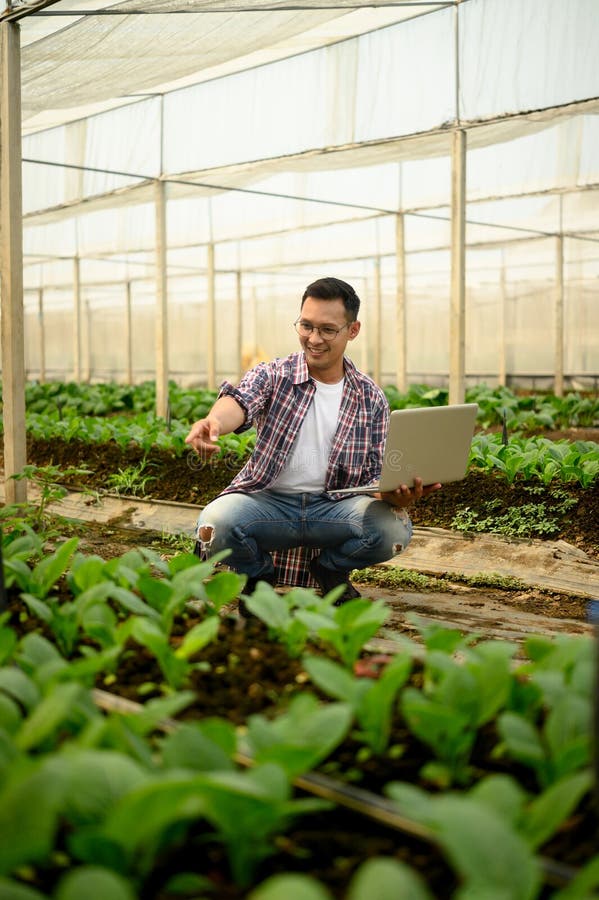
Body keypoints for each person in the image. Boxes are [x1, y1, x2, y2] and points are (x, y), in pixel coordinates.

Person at [185, 276, 440, 605]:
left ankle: (330, 570)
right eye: (306, 326)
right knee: (214, 525)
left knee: (393, 529)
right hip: (268, 505)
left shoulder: (369, 397)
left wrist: (397, 495)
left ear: (353, 330)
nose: (314, 339)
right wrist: (213, 421)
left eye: (327, 330)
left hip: (333, 509)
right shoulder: (274, 375)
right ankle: (258, 576)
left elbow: (377, 474)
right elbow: (239, 402)